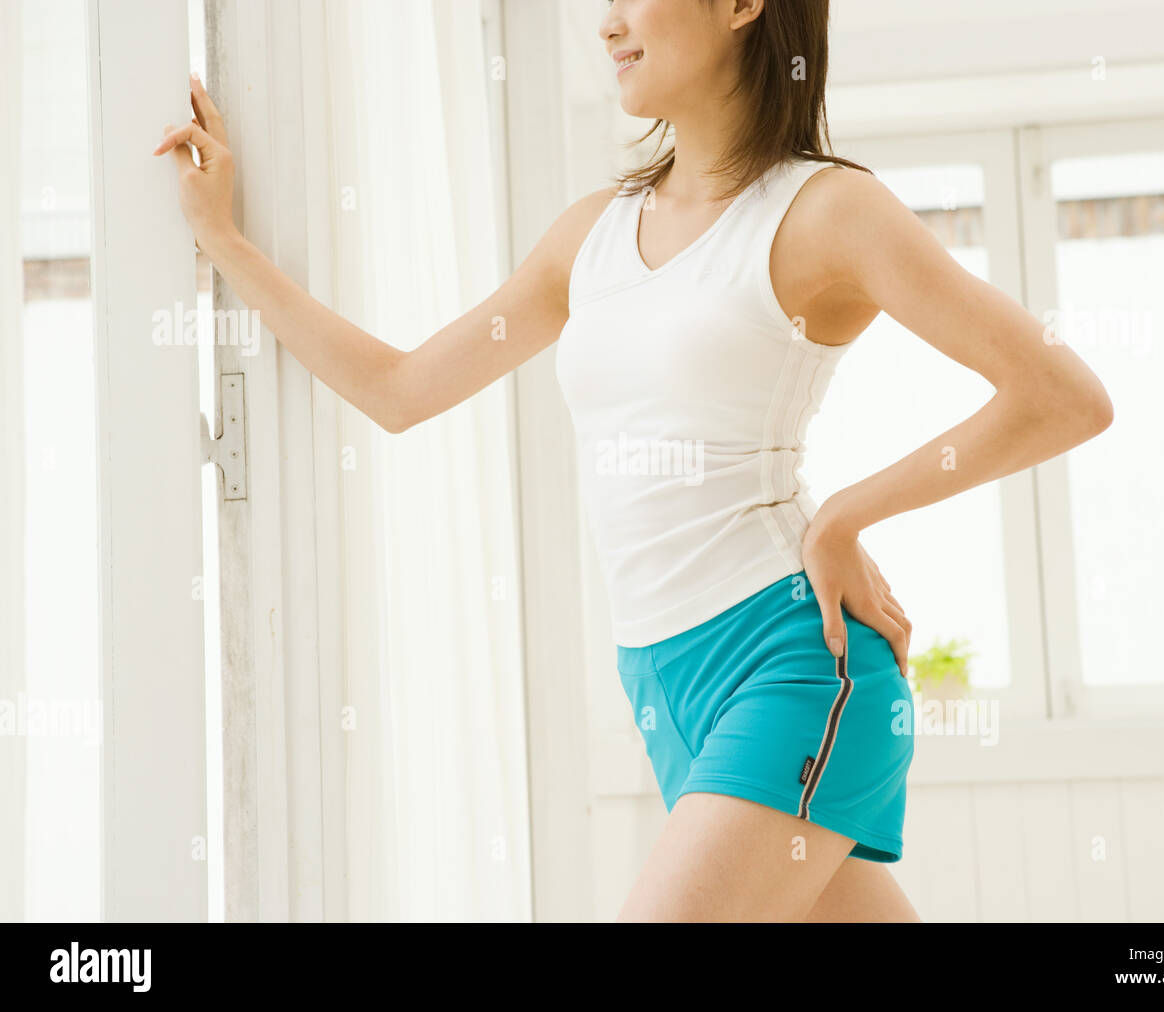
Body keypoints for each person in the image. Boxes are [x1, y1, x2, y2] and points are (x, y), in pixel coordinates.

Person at [154, 0, 1112, 922]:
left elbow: (1063, 398)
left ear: (743, 5)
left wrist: (844, 516)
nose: (607, 23)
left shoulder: (827, 212)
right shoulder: (591, 237)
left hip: (791, 662)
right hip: (662, 683)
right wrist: (223, 240)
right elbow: (400, 391)